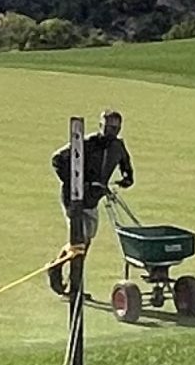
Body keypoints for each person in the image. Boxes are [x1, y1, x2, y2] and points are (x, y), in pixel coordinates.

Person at [48, 110, 136, 296]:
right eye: (109, 126)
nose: (112, 131)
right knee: (80, 239)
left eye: (116, 127)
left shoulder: (118, 146)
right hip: (74, 198)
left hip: (93, 200)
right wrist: (77, 182)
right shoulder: (86, 143)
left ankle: (63, 273)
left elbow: (125, 164)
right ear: (101, 125)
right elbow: (57, 159)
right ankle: (64, 277)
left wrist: (127, 178)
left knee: (85, 241)